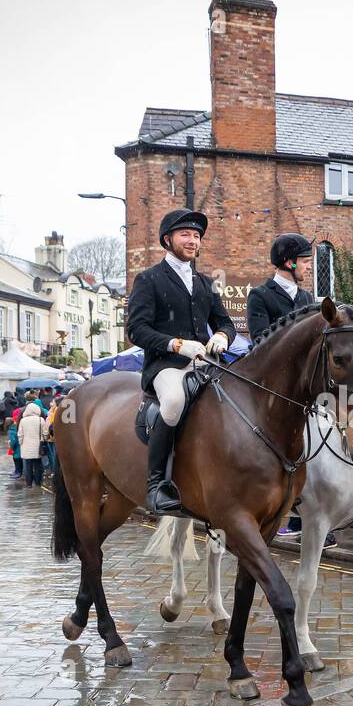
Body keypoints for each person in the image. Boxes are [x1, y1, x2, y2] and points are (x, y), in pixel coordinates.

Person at [126, 208, 236, 515]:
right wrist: (175, 344)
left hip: (206, 363)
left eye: (196, 236)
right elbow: (137, 330)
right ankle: (157, 485)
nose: (192, 241)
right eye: (185, 235)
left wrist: (223, 338)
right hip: (166, 366)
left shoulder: (206, 282)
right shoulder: (148, 279)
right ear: (168, 239)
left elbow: (225, 322)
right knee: (173, 401)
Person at [248, 234, 316, 539]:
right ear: (288, 263)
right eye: (304, 262)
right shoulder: (260, 296)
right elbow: (261, 341)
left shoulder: (307, 299)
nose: (308, 269)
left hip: (303, 386)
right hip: (271, 386)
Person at [18, 402, 45, 487]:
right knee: (38, 464)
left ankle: (29, 483)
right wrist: (43, 440)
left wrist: (21, 443)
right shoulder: (41, 420)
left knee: (28, 465)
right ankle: (37, 483)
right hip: (38, 446)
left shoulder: (23, 420)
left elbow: (20, 434)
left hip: (26, 446)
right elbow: (44, 433)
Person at [6, 413, 22, 479]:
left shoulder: (10, 431)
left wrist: (11, 448)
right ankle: (17, 471)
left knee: (16, 459)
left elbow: (13, 441)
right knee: (19, 460)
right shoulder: (16, 428)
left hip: (16, 449)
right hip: (20, 447)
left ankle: (18, 472)